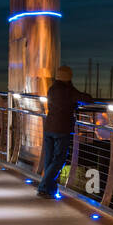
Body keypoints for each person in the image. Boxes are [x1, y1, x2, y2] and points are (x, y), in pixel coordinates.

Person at [37, 65, 94, 197]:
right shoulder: (68, 90)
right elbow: (86, 98)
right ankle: (43, 186)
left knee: (49, 160)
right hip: (62, 129)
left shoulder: (52, 89)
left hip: (49, 127)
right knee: (59, 159)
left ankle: (49, 190)